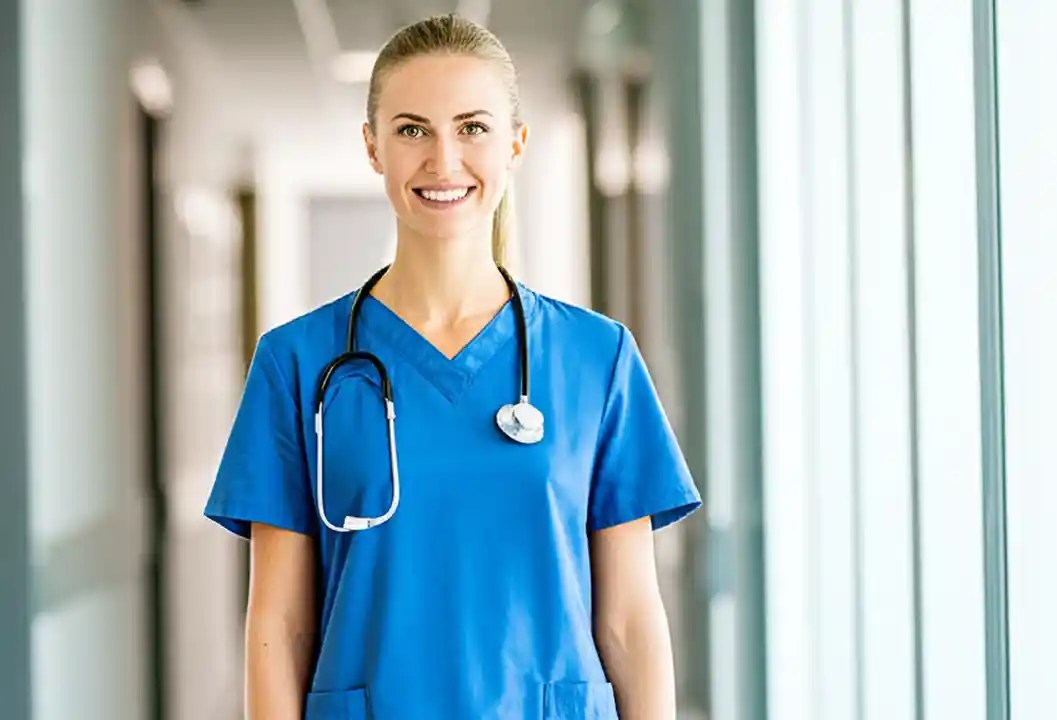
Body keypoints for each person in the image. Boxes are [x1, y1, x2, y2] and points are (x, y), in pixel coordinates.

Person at [204, 13, 701, 719]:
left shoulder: (598, 359)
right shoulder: (297, 363)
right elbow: (278, 627)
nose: (443, 161)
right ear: (373, 147)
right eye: (412, 130)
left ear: (515, 144)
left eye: (472, 128)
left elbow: (629, 621)